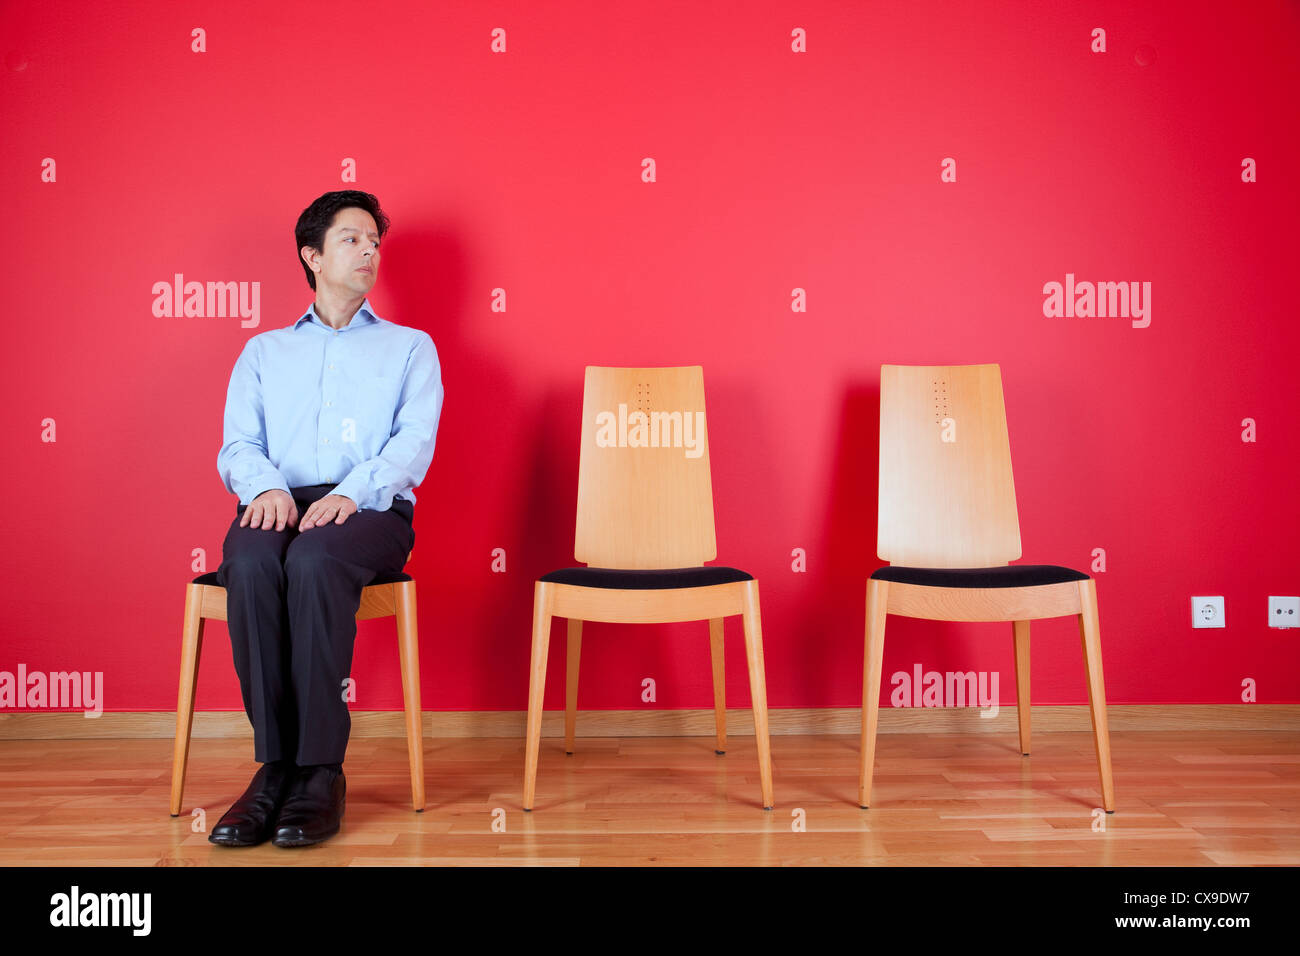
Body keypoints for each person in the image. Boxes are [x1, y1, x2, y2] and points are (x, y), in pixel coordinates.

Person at [209, 190, 444, 847]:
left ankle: (319, 770)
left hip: (372, 509)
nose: (369, 250)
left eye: (374, 240)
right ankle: (272, 767)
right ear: (312, 256)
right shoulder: (263, 353)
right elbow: (238, 444)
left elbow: (411, 444)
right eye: (351, 239)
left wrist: (353, 489)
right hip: (279, 499)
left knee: (313, 561)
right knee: (253, 562)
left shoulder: (409, 348)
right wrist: (264, 488)